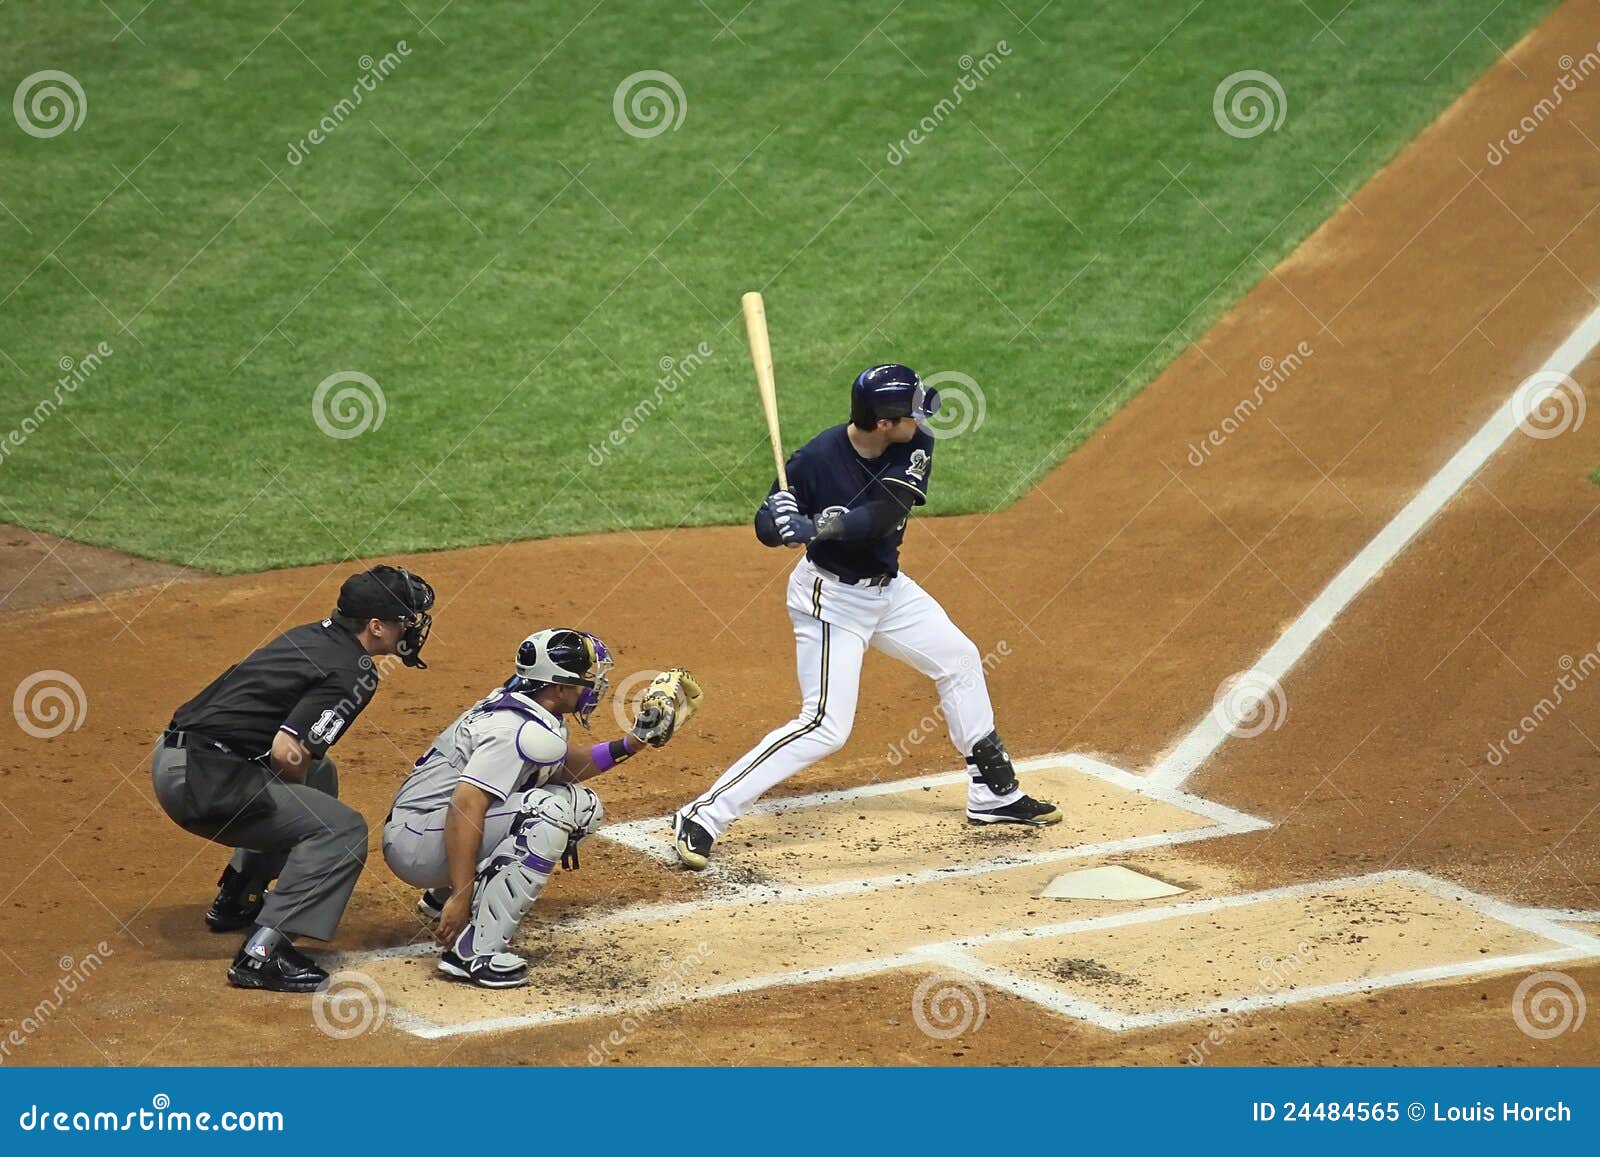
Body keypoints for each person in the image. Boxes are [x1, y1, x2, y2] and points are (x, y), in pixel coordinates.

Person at [673, 364, 1059, 870]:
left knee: (959, 659)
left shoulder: (914, 442)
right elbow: (768, 527)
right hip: (830, 602)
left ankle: (992, 793)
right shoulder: (812, 460)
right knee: (825, 725)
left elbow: (884, 514)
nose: (923, 420)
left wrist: (814, 523)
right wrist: (776, 520)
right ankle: (703, 814)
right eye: (911, 414)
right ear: (882, 423)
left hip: (889, 592)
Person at [150, 565, 435, 992]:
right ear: (376, 626)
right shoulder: (354, 669)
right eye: (403, 620)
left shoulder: (315, 635)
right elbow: (288, 751)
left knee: (319, 774)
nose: (409, 628)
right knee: (341, 830)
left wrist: (296, 791)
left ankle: (239, 896)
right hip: (201, 780)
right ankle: (263, 953)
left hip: (180, 758)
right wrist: (293, 797)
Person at [384, 630, 700, 988]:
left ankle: (441, 897)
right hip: (417, 843)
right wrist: (461, 892)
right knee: (546, 814)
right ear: (558, 688)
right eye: (585, 680)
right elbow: (465, 804)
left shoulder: (528, 706)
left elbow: (558, 767)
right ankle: (473, 953)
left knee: (581, 806)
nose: (594, 686)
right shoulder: (515, 729)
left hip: (424, 827)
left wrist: (633, 741)